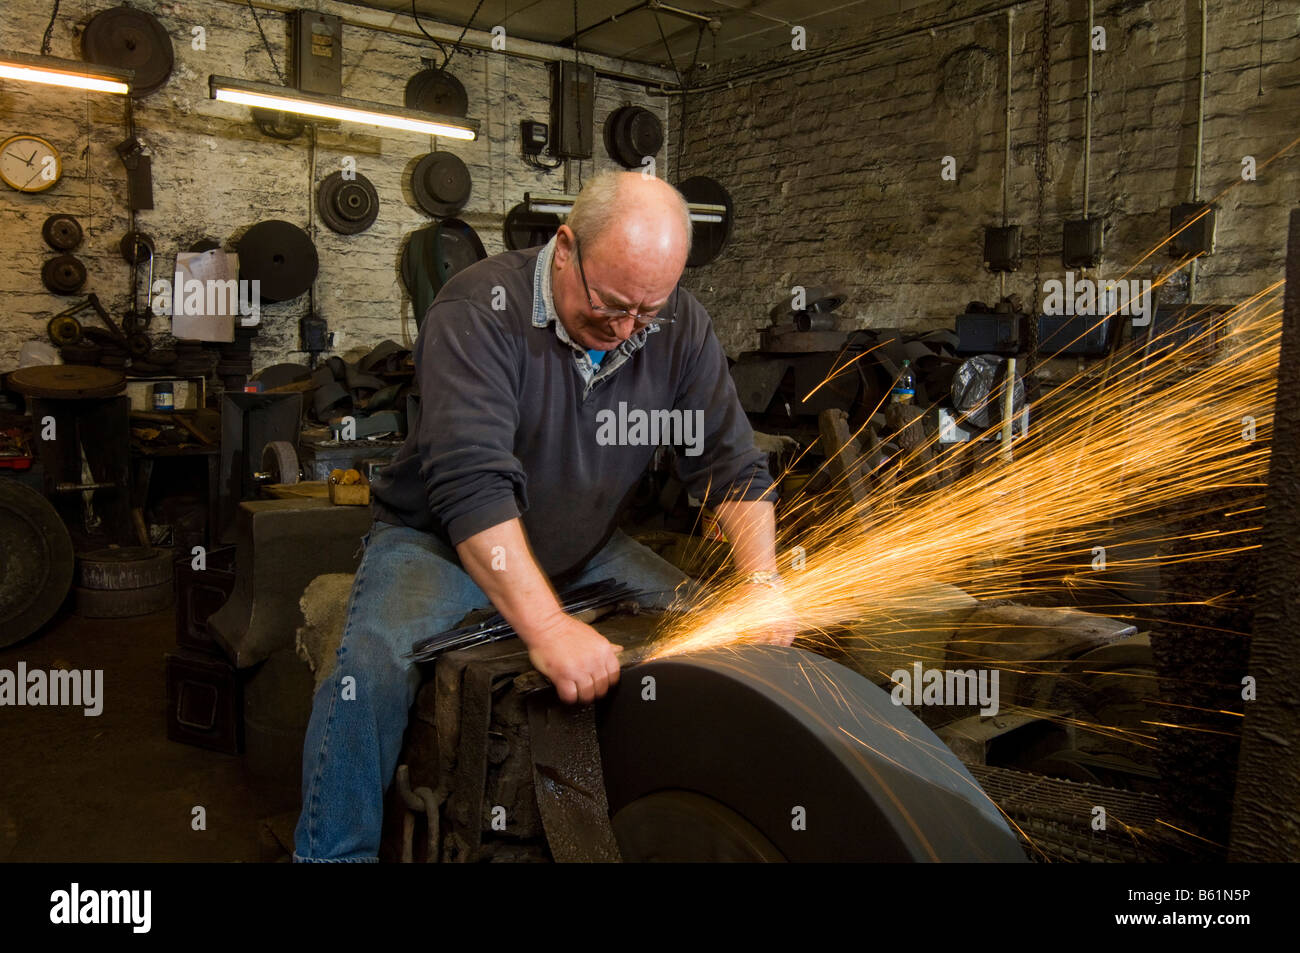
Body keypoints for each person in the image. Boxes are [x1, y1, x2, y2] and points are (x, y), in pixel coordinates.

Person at [293, 170, 796, 862]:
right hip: (442, 540)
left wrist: (763, 582)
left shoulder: (676, 325)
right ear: (565, 248)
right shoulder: (476, 311)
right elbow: (471, 488)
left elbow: (731, 465)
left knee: (719, 630)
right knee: (370, 668)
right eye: (612, 305)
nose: (625, 330)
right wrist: (548, 625)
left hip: (582, 548)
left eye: (646, 314)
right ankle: (330, 855)